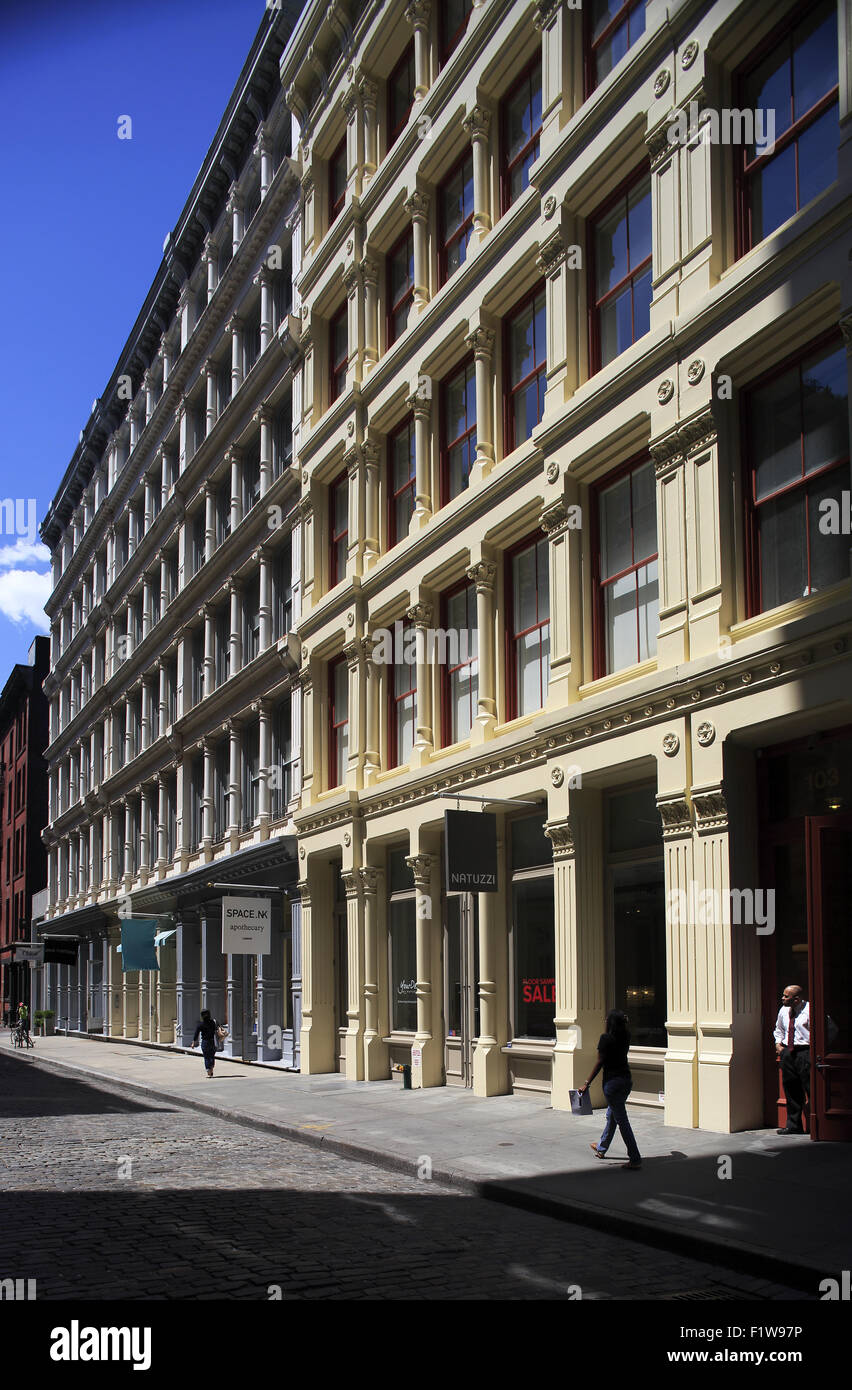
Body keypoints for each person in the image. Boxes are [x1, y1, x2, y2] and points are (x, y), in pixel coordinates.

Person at [578, 1009, 642, 1169]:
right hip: (626, 1081)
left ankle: (635, 1158)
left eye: (607, 1019)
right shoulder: (626, 1036)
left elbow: (600, 1062)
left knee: (622, 1121)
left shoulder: (605, 1039)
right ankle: (601, 1147)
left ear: (610, 1022)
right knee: (612, 1115)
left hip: (612, 1084)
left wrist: (586, 1083)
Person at [773, 984, 810, 1134]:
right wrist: (778, 1045)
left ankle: (815, 1126)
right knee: (791, 1088)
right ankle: (794, 1125)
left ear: (796, 999)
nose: (782, 998)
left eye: (786, 996)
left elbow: (828, 1029)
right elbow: (779, 1029)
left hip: (805, 1052)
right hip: (788, 1052)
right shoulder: (783, 1010)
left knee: (811, 1088)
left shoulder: (810, 1010)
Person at [191, 1009, 219, 1077]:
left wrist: (193, 1043)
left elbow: (196, 1034)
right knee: (212, 1056)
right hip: (212, 1041)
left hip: (205, 1042)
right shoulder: (213, 1022)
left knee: (206, 1057)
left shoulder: (200, 1024)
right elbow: (217, 1029)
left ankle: (208, 1071)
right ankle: (211, 1069)